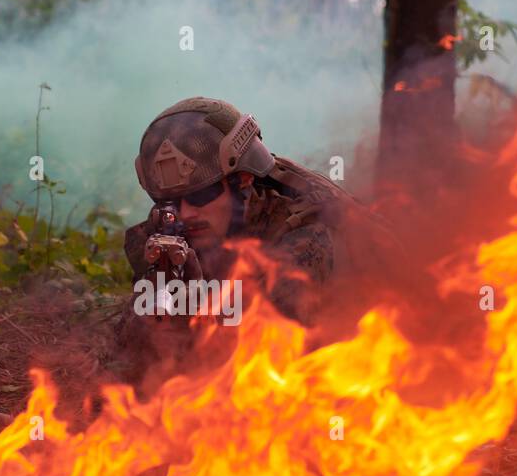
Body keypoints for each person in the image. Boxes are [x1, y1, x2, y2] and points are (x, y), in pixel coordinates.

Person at [112, 96, 369, 386]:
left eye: (200, 195)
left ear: (244, 180)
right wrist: (162, 298)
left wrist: (198, 300)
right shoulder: (167, 230)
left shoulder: (302, 235)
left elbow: (267, 360)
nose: (185, 213)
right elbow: (133, 357)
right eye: (169, 201)